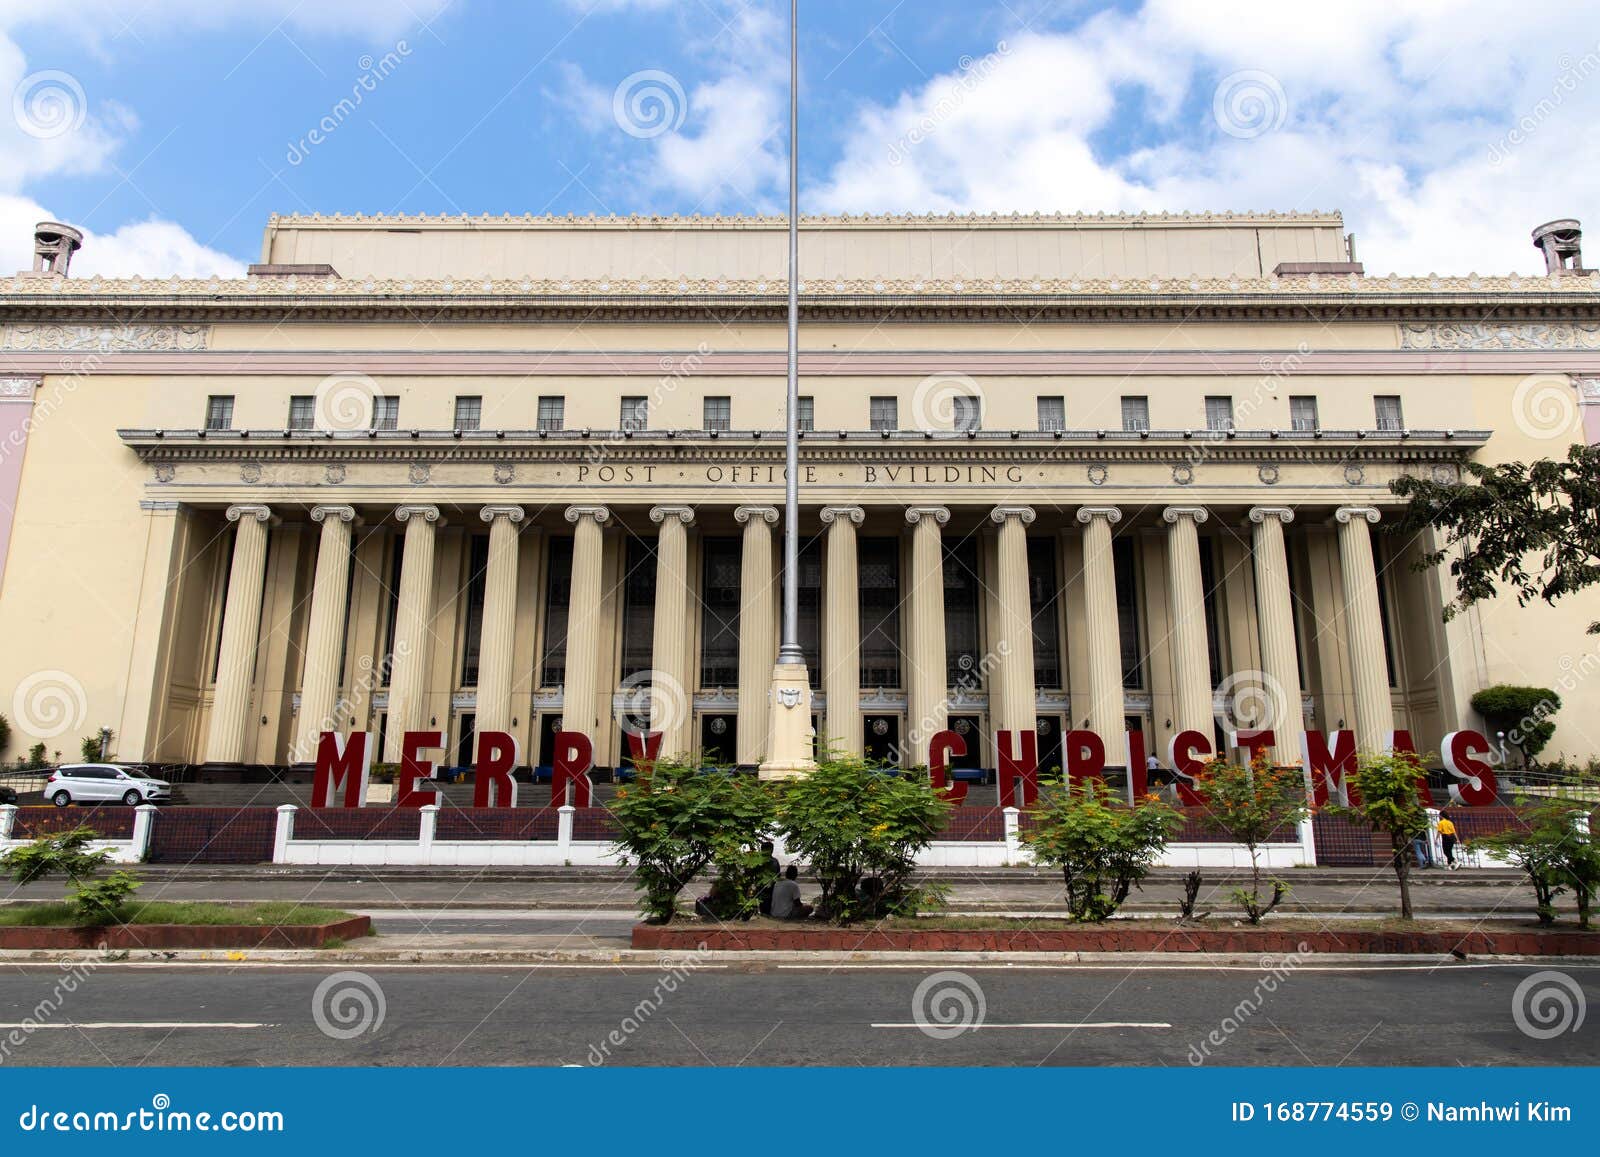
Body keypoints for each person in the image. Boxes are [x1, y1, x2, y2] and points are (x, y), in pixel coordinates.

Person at [757, 841, 781, 916]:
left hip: (765, 887)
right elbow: (778, 874)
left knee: (765, 903)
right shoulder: (774, 861)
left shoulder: (759, 861)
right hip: (768, 887)